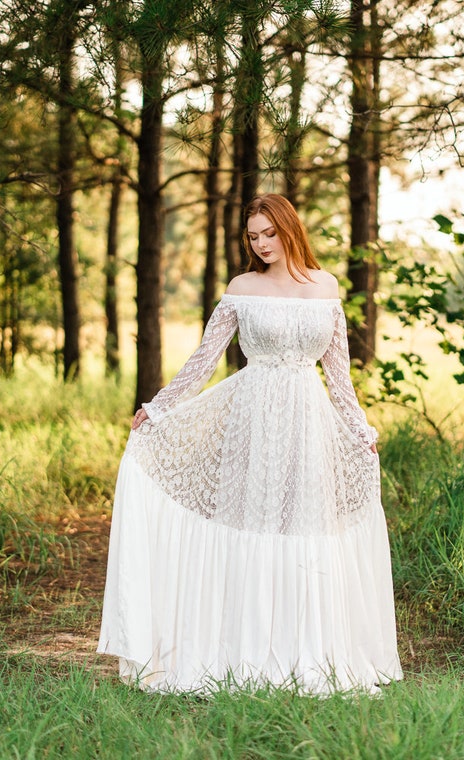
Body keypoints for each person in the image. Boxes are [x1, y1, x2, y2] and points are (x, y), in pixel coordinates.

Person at [97, 194, 402, 695]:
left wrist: (359, 429)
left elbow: (340, 378)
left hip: (308, 419)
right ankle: (242, 649)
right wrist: (159, 407)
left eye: (268, 233)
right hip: (252, 417)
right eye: (253, 236)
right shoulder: (242, 287)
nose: (261, 244)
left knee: (303, 526)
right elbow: (203, 359)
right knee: (251, 522)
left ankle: (308, 652)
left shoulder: (326, 287)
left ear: (289, 229)